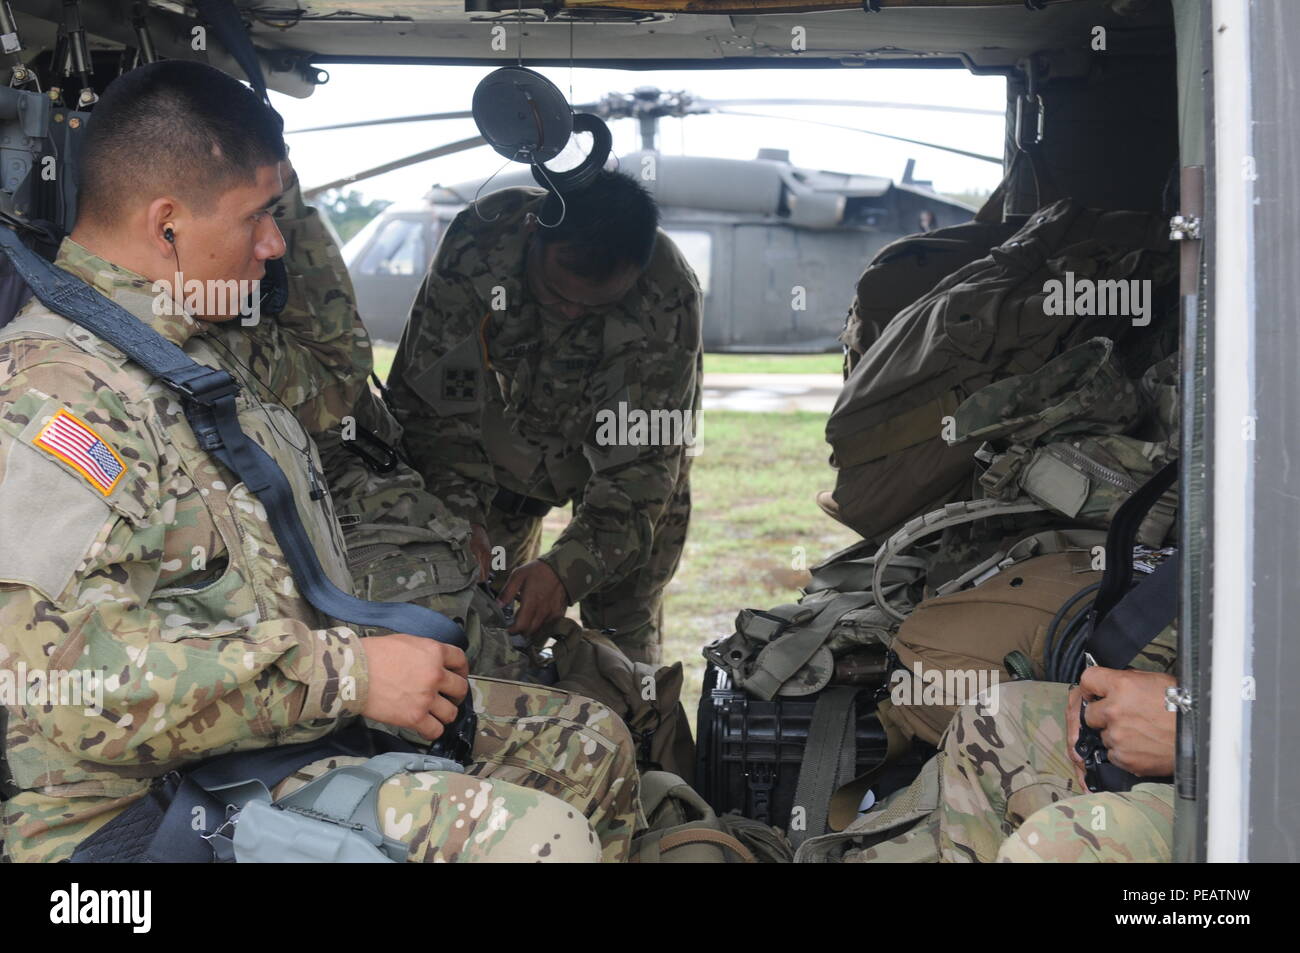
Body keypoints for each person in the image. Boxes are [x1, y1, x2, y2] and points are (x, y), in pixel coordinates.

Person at [0, 60, 639, 863]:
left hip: (265, 742)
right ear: (168, 226)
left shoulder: (177, 352)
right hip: (138, 810)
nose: (274, 245)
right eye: (259, 216)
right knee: (546, 839)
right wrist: (350, 675)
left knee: (592, 743)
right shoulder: (56, 396)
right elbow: (70, 689)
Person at [386, 174, 703, 664]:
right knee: (477, 598)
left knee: (623, 624)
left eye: (594, 304)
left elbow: (639, 474)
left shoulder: (667, 297)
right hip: (506, 445)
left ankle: (633, 728)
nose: (572, 313)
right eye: (556, 294)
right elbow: (432, 409)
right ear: (535, 230)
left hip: (627, 448)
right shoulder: (482, 241)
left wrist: (563, 573)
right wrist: (460, 515)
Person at [848, 650, 1178, 863]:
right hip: (1206, 748)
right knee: (996, 714)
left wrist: (1191, 728)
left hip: (1226, 815)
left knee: (1049, 845)